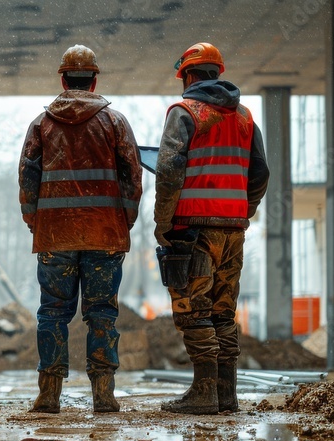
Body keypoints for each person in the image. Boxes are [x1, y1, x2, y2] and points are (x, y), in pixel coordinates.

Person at [18, 45, 143, 414]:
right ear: (93, 80)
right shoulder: (115, 122)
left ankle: (49, 395)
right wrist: (124, 221)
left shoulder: (41, 125)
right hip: (105, 234)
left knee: (53, 312)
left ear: (62, 79)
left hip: (55, 237)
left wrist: (35, 224)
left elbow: (27, 180)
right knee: (102, 313)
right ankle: (103, 395)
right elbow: (133, 177)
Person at [154, 42, 269, 415]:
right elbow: (260, 174)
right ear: (217, 72)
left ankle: (204, 393)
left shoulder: (185, 111)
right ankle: (225, 394)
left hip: (193, 229)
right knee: (223, 310)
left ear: (187, 75)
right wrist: (241, 211)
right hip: (233, 230)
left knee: (194, 308)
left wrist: (164, 222)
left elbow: (169, 170)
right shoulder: (245, 118)